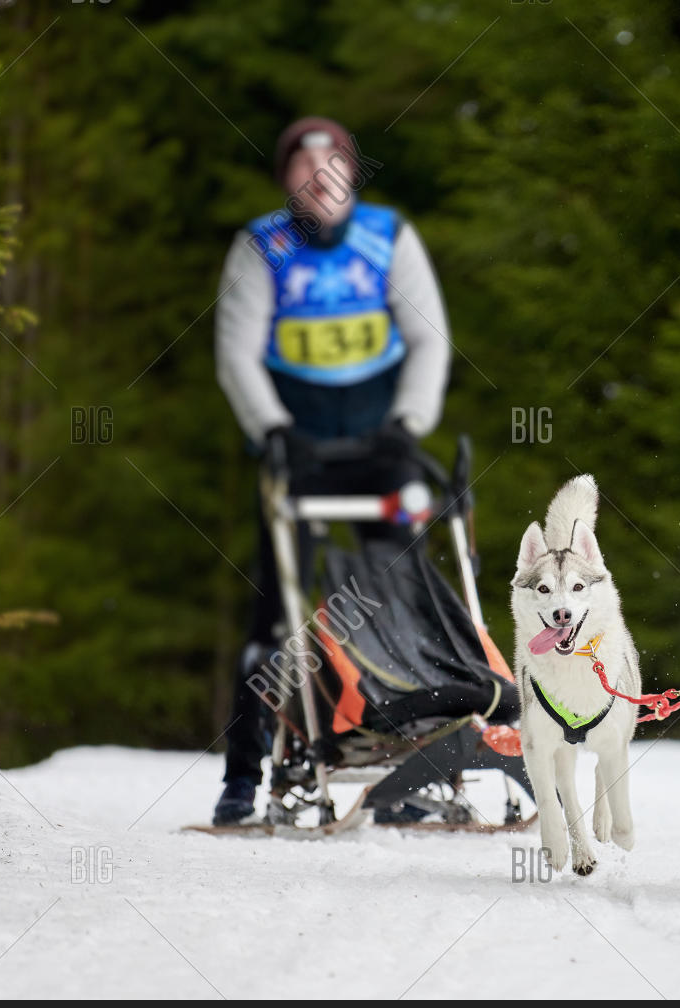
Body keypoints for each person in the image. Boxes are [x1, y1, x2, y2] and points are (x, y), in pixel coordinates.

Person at [210, 116, 451, 825]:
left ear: (351, 172)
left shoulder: (388, 238)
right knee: (277, 611)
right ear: (286, 180)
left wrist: (409, 424)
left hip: (381, 444)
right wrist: (272, 430)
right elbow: (236, 352)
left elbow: (429, 339)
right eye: (302, 166)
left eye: (331, 163)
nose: (318, 177)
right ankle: (243, 775)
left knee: (400, 595)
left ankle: (410, 766)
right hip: (300, 451)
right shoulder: (262, 247)